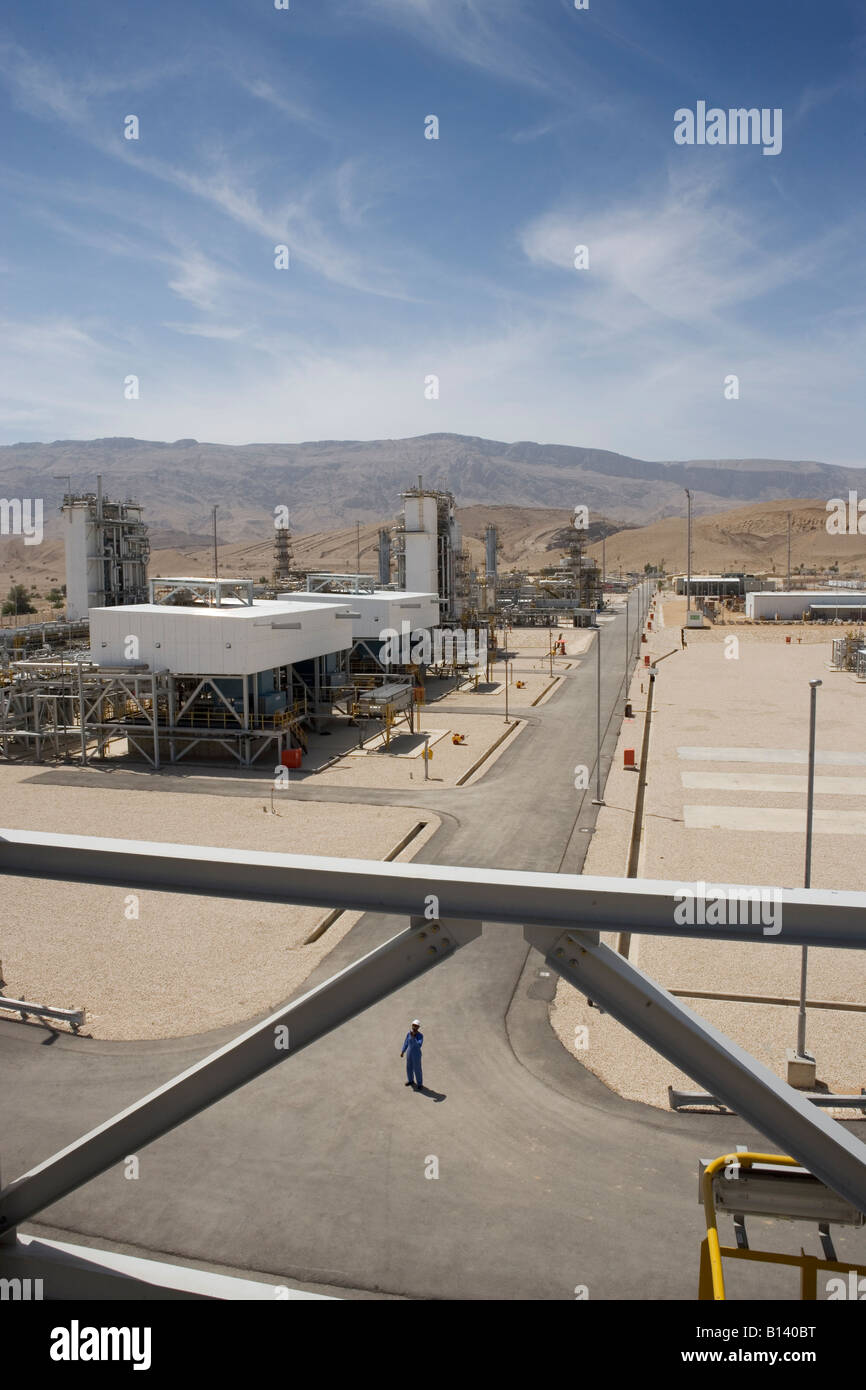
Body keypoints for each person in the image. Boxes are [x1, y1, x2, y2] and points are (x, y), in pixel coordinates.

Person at [401, 1019, 424, 1089]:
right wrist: (403, 1051)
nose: (414, 1027)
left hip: (416, 1054)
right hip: (409, 1053)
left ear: (418, 1027)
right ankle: (410, 1080)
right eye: (413, 1025)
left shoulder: (420, 1036)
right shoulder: (409, 1033)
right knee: (409, 1067)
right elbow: (406, 1043)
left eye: (416, 1026)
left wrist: (414, 1037)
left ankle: (419, 1084)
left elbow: (419, 1045)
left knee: (417, 1069)